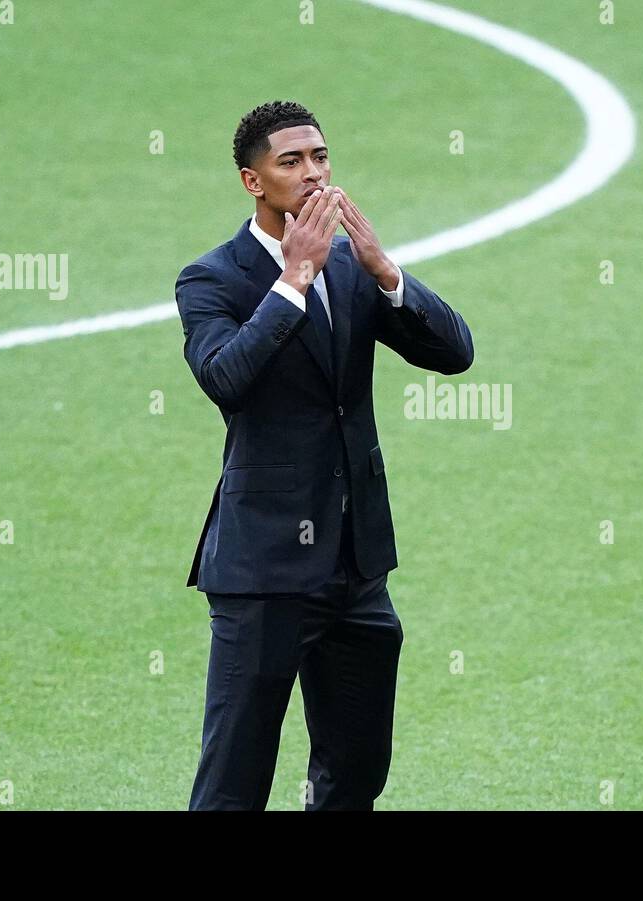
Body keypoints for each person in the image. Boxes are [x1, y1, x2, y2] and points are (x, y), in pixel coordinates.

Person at [174, 100, 474, 810]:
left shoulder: (351, 265)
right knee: (233, 784)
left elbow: (455, 353)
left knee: (356, 773)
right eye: (291, 162)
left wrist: (385, 270)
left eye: (320, 157)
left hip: (356, 569)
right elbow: (226, 378)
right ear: (253, 181)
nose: (313, 174)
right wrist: (294, 281)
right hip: (264, 572)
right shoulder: (212, 278)